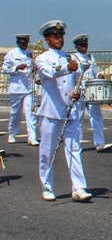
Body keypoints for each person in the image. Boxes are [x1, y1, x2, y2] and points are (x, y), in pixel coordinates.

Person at [34, 20, 92, 202]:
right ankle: (47, 186)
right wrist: (67, 68)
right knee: (48, 151)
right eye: (55, 36)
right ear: (47, 39)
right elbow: (49, 73)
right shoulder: (42, 59)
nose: (59, 39)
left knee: (74, 148)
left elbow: (77, 79)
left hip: (70, 110)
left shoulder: (69, 57)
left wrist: (77, 92)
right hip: (51, 111)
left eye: (61, 36)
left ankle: (79, 187)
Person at [71, 34, 109, 152]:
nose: (84, 47)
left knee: (97, 117)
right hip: (79, 90)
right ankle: (77, 143)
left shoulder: (91, 58)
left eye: (85, 44)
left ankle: (100, 143)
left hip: (92, 91)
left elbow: (96, 71)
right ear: (77, 46)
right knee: (78, 118)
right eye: (81, 45)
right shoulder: (73, 58)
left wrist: (99, 75)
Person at [2, 34, 40, 146]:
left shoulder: (30, 53)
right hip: (17, 88)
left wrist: (35, 69)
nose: (25, 45)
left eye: (26, 43)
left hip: (29, 87)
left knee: (31, 113)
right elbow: (5, 69)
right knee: (16, 113)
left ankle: (32, 137)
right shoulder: (11, 54)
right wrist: (17, 67)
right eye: (23, 43)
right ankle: (12, 133)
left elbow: (34, 68)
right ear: (18, 43)